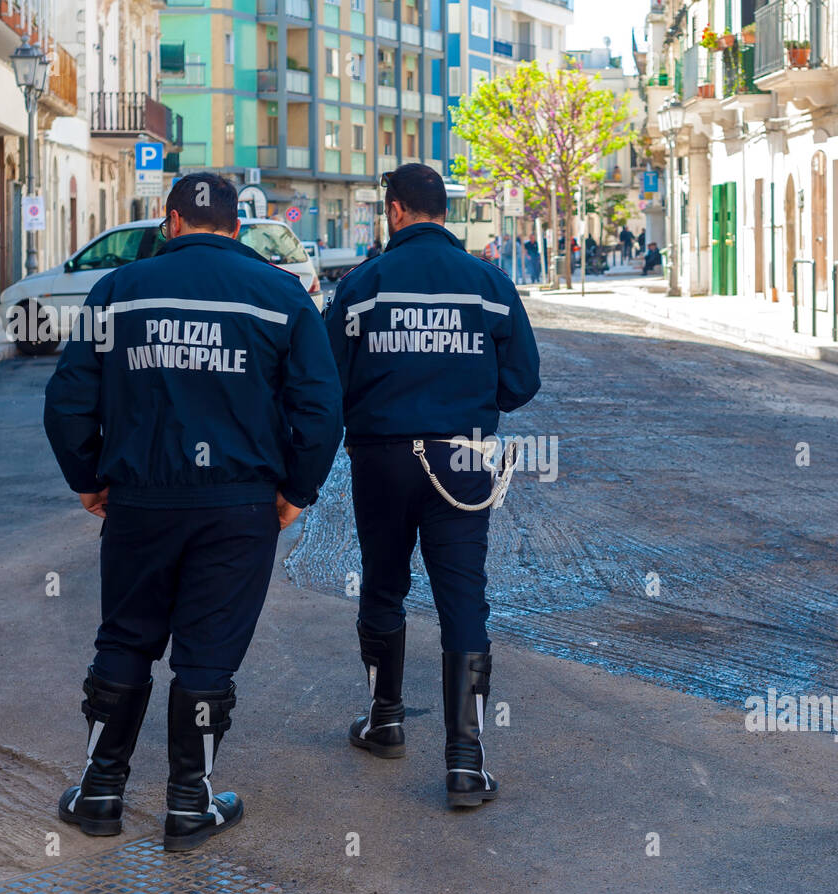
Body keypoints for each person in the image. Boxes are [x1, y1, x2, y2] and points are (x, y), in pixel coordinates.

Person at [44, 172, 343, 851]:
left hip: (141, 499)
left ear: (168, 221)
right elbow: (322, 409)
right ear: (236, 228)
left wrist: (89, 478)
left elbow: (65, 401)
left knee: (125, 639)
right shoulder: (281, 296)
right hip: (239, 505)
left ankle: (98, 793)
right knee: (207, 655)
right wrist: (297, 489)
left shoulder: (117, 290)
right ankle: (188, 802)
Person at [326, 164, 541, 808]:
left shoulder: (361, 285)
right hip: (462, 458)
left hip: (384, 458)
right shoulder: (490, 283)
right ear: (442, 213)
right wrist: (471, 401)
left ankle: (385, 720)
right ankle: (465, 764)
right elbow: (523, 381)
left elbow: (328, 382)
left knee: (384, 585)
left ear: (394, 211)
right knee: (463, 600)